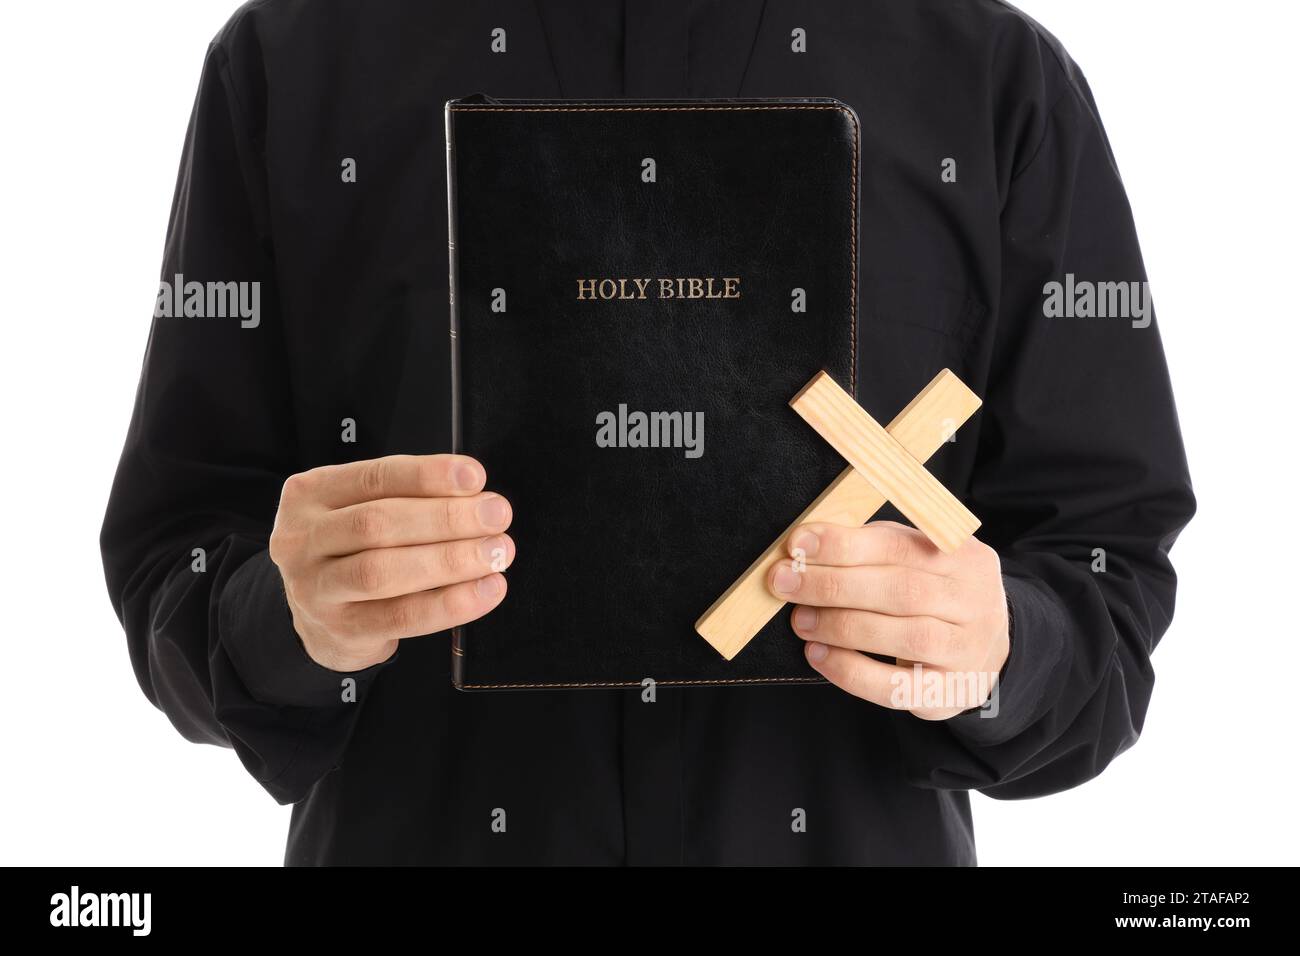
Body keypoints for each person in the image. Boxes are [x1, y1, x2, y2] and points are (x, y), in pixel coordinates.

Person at [100, 0, 1195, 865]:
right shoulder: (290, 63)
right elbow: (175, 555)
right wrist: (290, 620)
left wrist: (1003, 648)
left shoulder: (995, 80)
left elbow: (1107, 568)